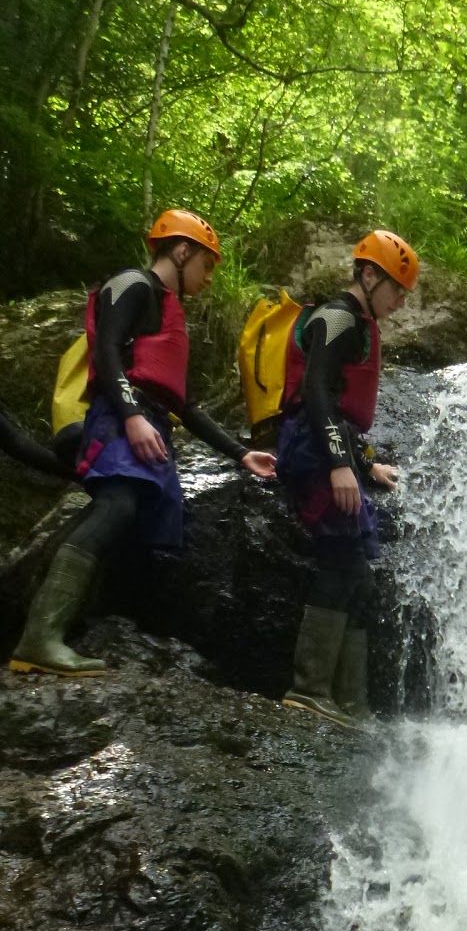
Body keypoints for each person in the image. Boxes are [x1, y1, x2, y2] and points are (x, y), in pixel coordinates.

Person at [8, 210, 276, 676]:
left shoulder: (168, 310)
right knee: (118, 506)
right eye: (207, 265)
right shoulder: (132, 284)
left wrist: (239, 452)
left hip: (150, 423)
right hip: (119, 416)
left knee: (145, 530)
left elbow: (185, 404)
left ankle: (83, 633)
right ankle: (40, 638)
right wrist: (131, 416)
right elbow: (108, 349)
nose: (210, 278)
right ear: (181, 250)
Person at [275, 229, 417, 726]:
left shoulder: (354, 320)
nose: (401, 301)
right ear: (370, 274)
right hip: (314, 448)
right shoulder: (337, 315)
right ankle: (309, 687)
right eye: (397, 288)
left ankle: (351, 702)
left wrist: (362, 462)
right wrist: (339, 463)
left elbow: (338, 404)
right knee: (341, 560)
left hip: (329, 445)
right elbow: (316, 390)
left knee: (359, 574)